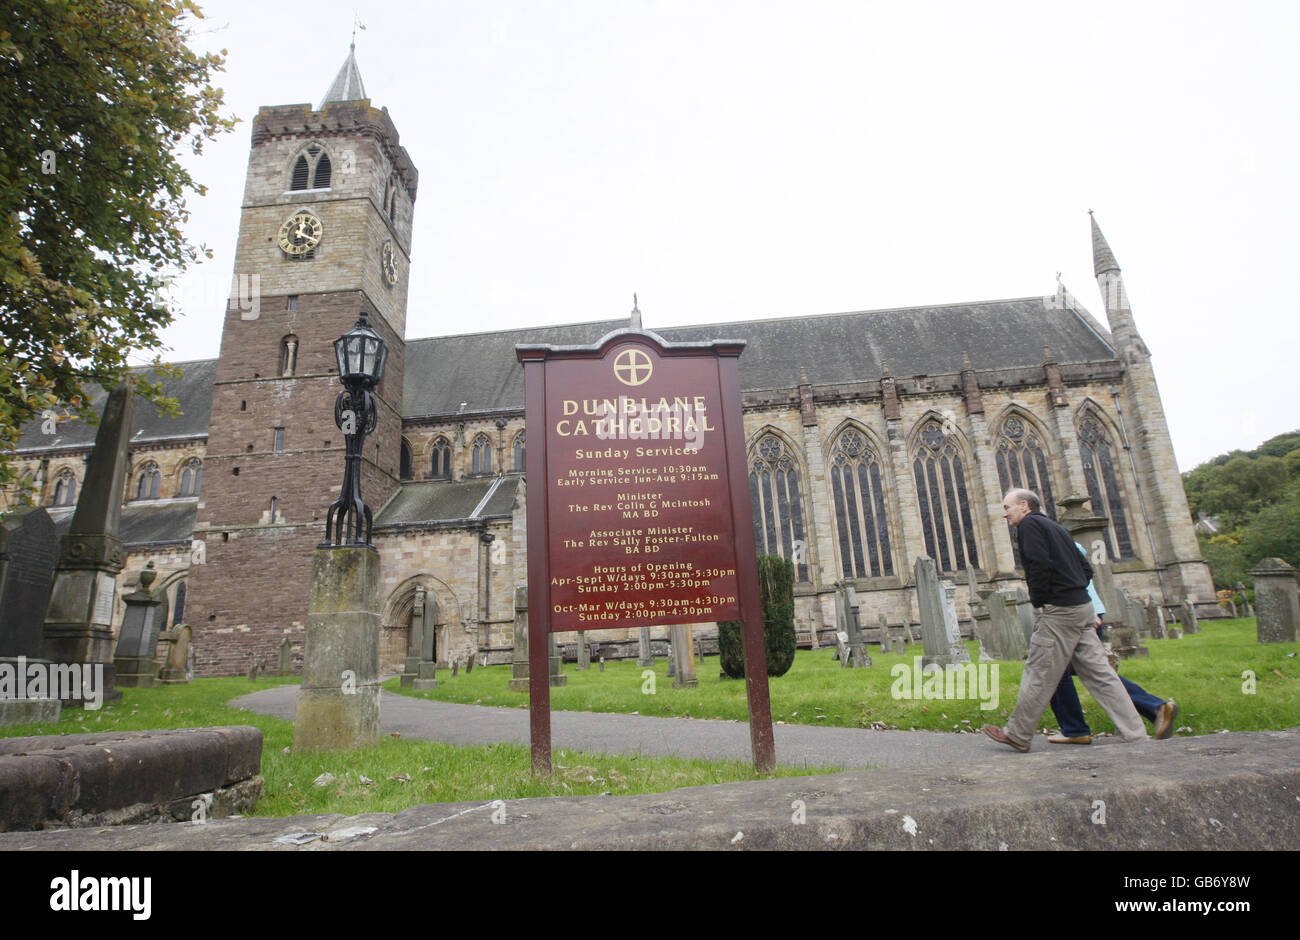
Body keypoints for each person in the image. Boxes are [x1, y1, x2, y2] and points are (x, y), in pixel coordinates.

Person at [982, 488, 1147, 751]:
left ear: (1024, 506)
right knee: (1101, 674)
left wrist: (1040, 600)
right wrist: (1080, 596)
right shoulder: (1056, 527)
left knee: (1039, 671)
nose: (1005, 514)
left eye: (1007, 507)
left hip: (1058, 610)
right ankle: (1136, 734)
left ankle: (1018, 733)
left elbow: (1038, 565)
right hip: (1081, 606)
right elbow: (1086, 568)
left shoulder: (1029, 526)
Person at [1047, 542, 1179, 743]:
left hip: (1078, 612)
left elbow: (1076, 571)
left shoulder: (1051, 539)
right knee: (1086, 670)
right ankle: (1154, 708)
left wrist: (1087, 609)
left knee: (1062, 670)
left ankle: (1075, 729)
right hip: (1078, 612)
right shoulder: (1051, 538)